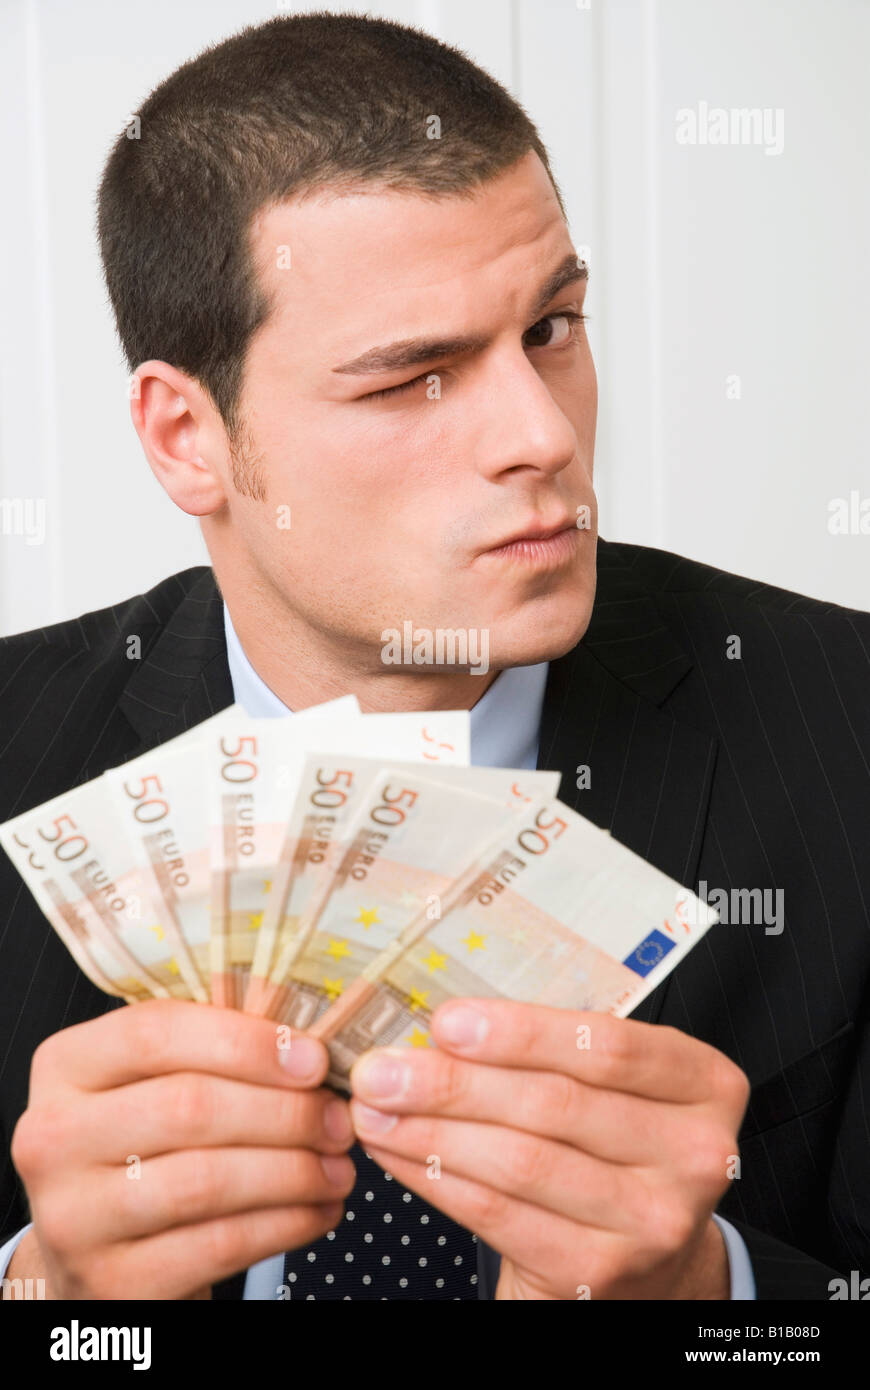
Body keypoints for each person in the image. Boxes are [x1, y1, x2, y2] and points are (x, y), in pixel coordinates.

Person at [1, 11, 867, 1302]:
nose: (541, 438)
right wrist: (48, 1297)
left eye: (551, 328)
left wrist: (707, 1294)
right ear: (188, 436)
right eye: (414, 376)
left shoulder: (843, 730)